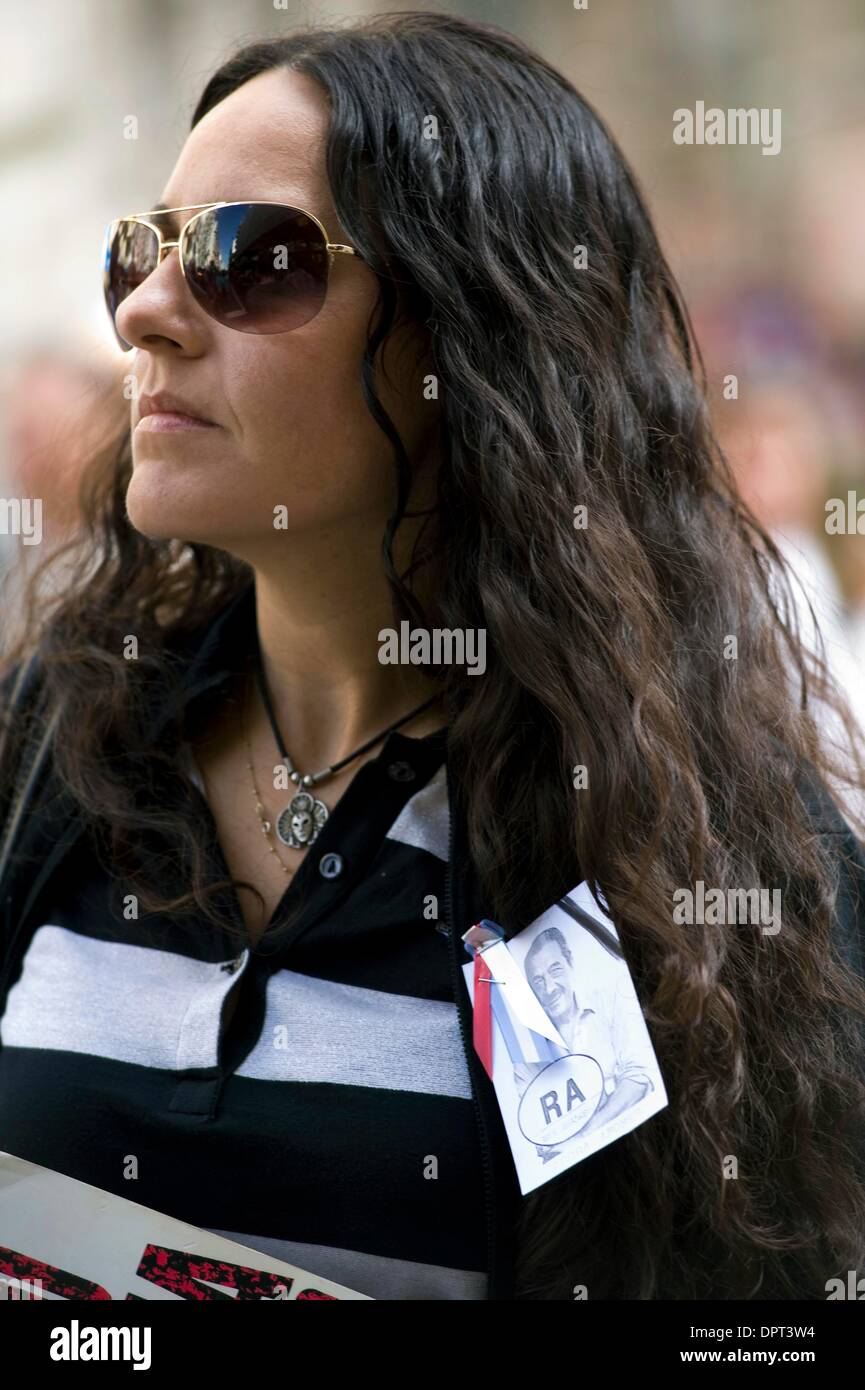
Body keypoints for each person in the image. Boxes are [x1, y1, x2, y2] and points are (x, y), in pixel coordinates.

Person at [1, 12, 864, 1302]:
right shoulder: (60, 740)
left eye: (251, 258)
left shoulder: (677, 840)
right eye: (143, 251)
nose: (147, 314)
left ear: (463, 339)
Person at [514, 927, 654, 1144]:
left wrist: (585, 1135)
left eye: (555, 970)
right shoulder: (527, 1048)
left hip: (644, 1137)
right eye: (539, 982)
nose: (550, 988)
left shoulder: (609, 1001)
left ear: (570, 963)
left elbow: (638, 1079)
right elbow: (532, 1127)